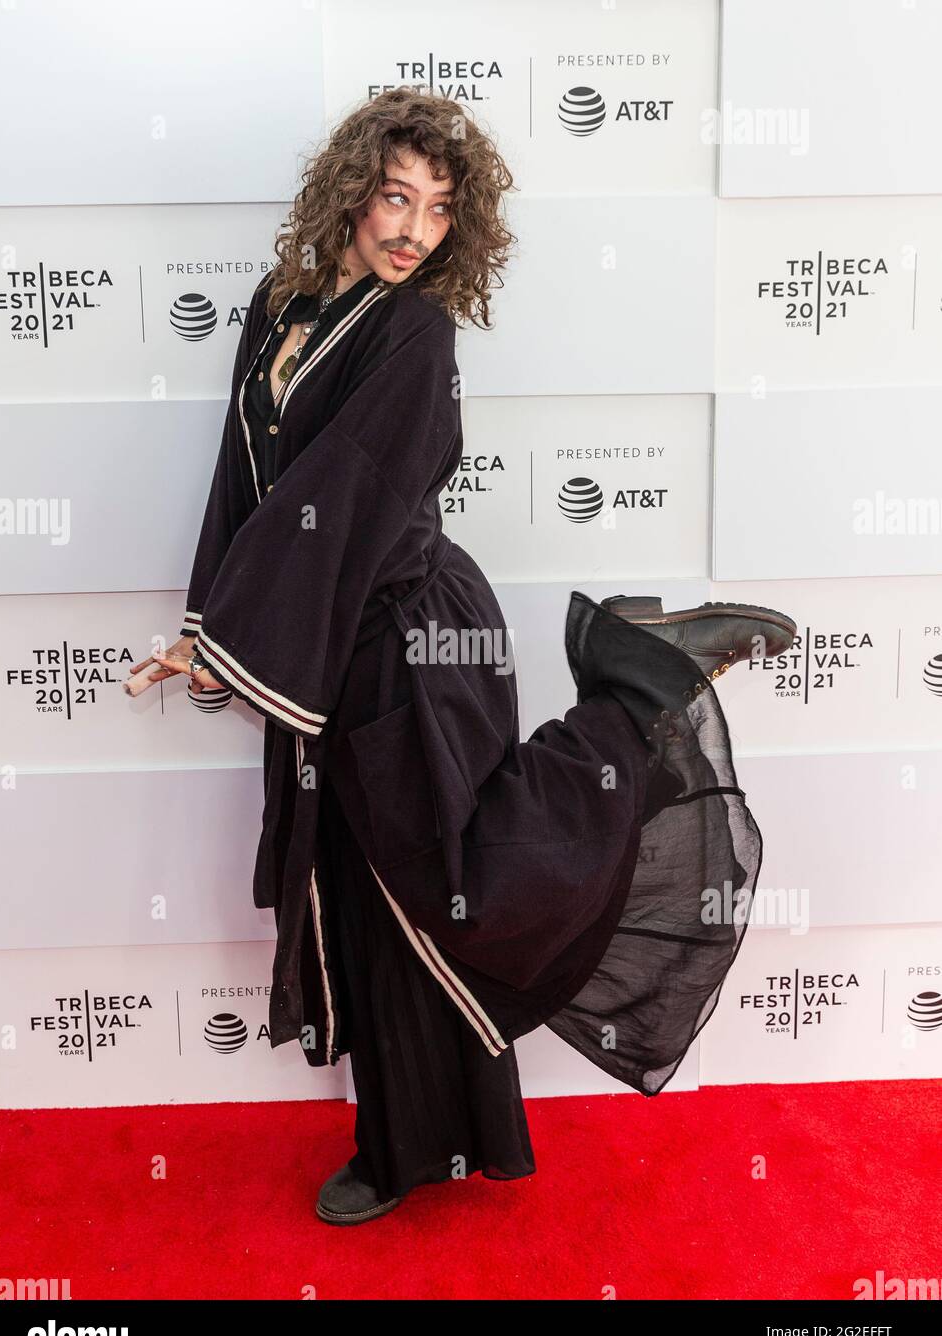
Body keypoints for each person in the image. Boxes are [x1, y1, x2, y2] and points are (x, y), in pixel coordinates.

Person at [128, 87, 796, 1226]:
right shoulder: (277, 306)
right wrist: (209, 629)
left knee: (454, 880)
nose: (410, 231)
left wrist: (242, 648)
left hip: (406, 643)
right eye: (395, 197)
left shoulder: (414, 330)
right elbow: (249, 486)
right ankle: (415, 1144)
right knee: (368, 892)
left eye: (437, 211)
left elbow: (351, 497)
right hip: (320, 642)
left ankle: (632, 691)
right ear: (350, 191)